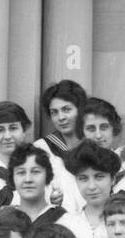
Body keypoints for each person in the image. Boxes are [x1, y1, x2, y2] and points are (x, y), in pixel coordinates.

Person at [64, 139, 123, 238]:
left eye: (99, 177)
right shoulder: (67, 224)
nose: (91, 186)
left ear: (113, 179)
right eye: (83, 178)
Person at [35, 79, 88, 212]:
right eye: (54, 112)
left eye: (67, 110)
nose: (61, 117)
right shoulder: (42, 149)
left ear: (80, 109)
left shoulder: (93, 143)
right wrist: (49, 198)